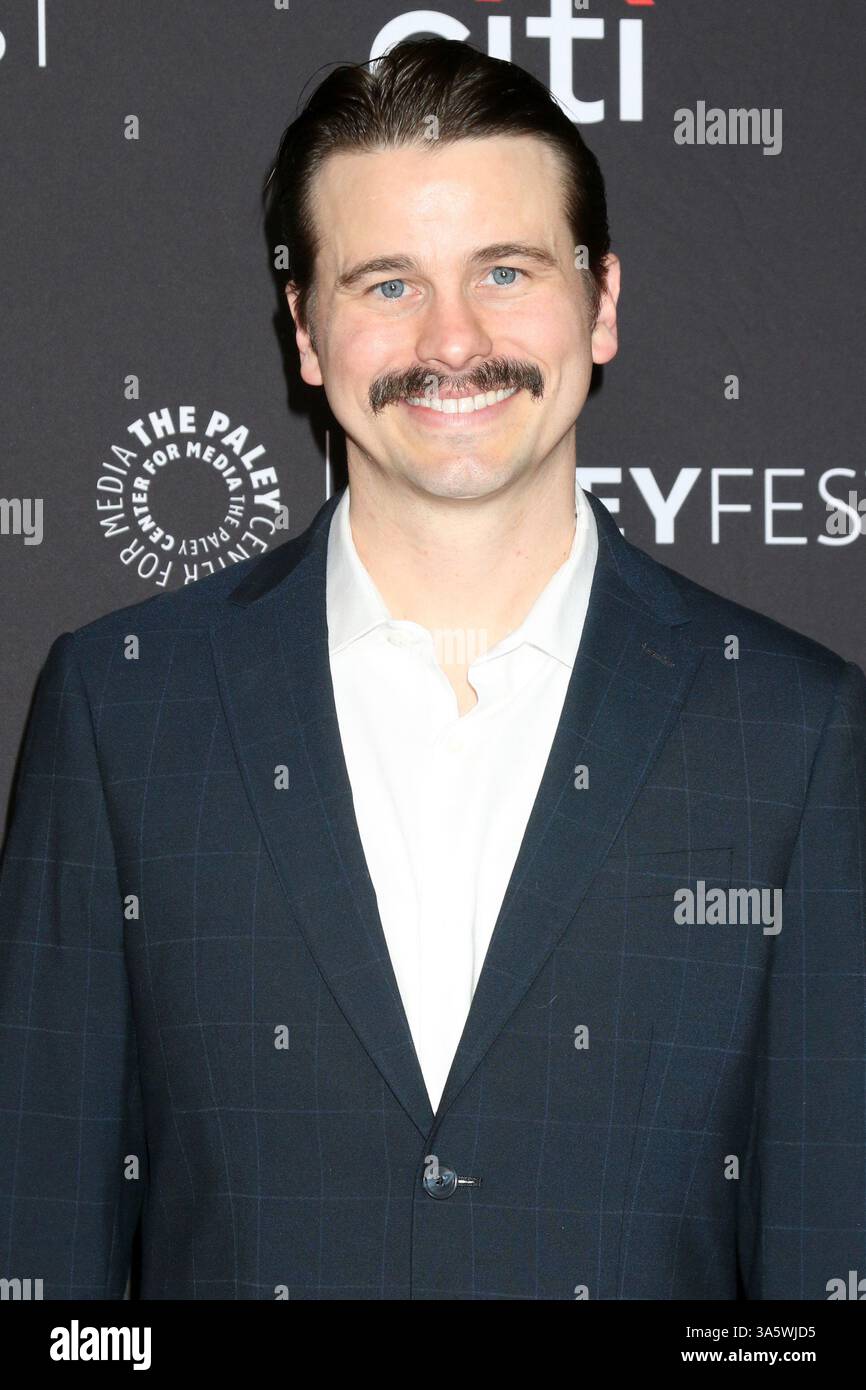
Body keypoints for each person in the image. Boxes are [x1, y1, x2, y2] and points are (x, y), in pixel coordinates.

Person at [1, 36, 864, 1302]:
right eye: (386, 284)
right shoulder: (122, 705)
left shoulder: (789, 731)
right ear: (305, 332)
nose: (452, 341)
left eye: (504, 270)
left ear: (601, 301)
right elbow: (40, 1263)